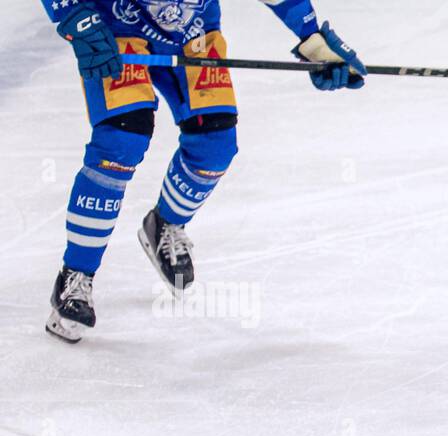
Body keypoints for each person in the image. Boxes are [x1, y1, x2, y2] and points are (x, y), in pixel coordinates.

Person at [42, 0, 366, 343]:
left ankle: (166, 224)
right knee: (121, 140)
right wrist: (74, 14)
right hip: (114, 26)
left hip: (192, 33)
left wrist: (313, 40)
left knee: (215, 144)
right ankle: (75, 276)